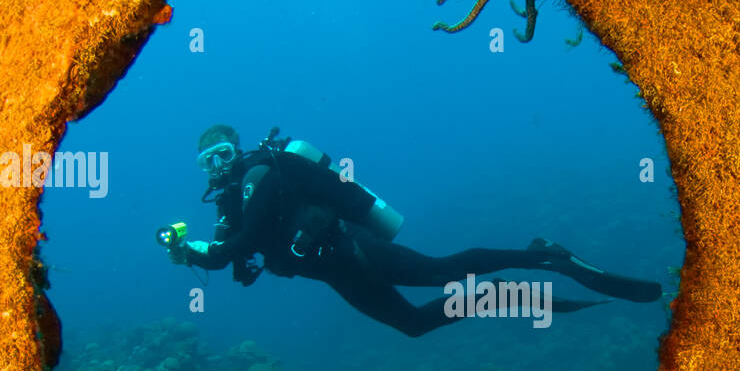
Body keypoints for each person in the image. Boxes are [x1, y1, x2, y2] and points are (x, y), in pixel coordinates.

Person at [166, 124, 662, 337]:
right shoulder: (230, 204)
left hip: (354, 251)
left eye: (222, 155)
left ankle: (542, 255)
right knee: (414, 325)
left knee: (444, 272)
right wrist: (194, 250)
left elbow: (243, 245)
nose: (217, 168)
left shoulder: (261, 175)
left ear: (238, 152)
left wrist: (194, 251)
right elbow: (231, 250)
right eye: (207, 162)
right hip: (339, 275)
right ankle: (506, 295)